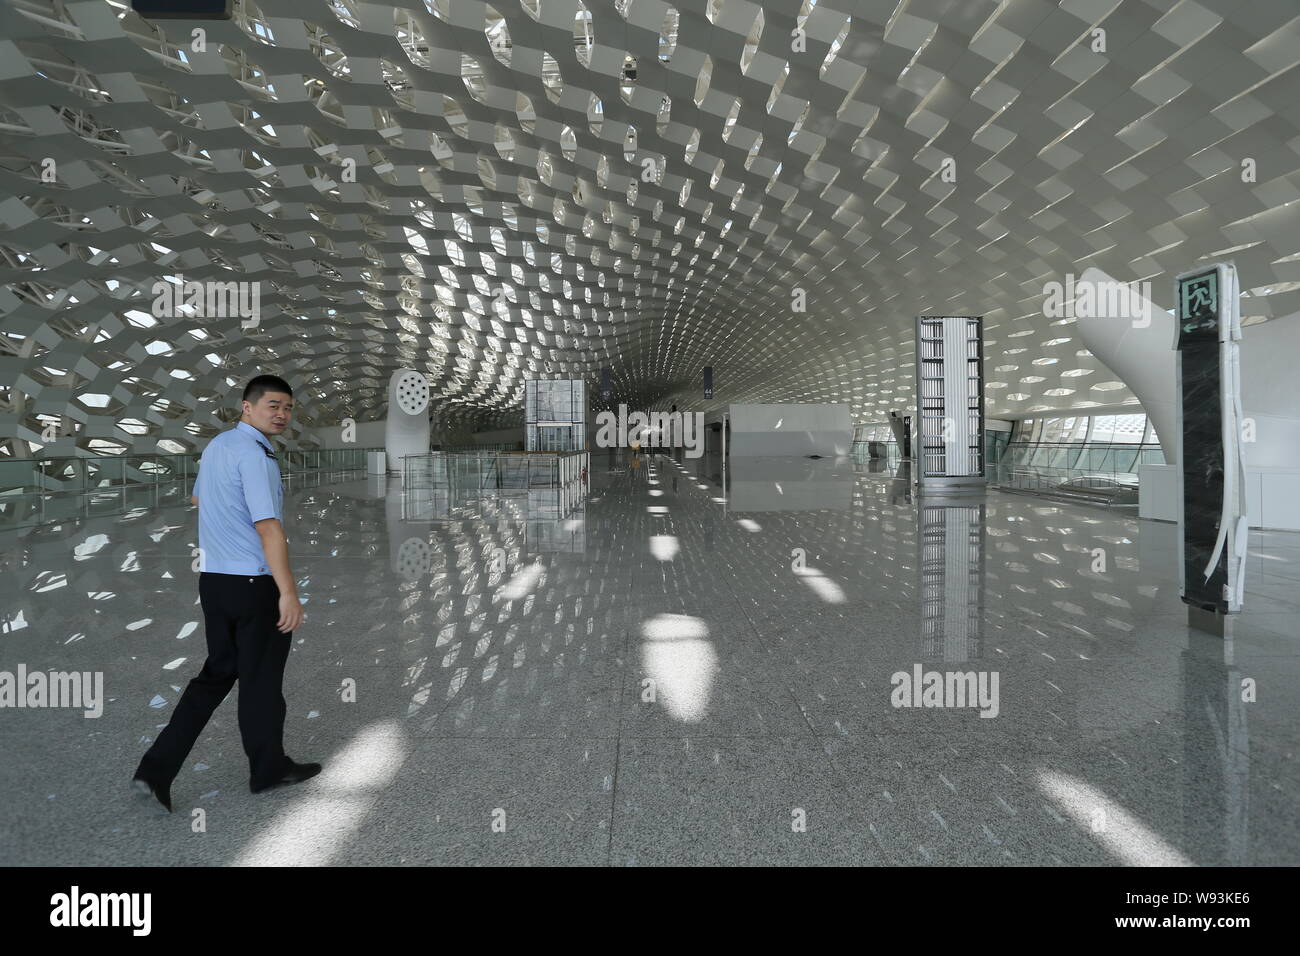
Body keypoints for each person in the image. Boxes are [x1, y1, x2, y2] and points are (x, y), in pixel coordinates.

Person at [132, 375, 320, 812]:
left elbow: (200, 500)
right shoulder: (257, 456)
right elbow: (268, 527)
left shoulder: (218, 446)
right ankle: (268, 769)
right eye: (273, 405)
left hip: (215, 582)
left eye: (288, 408)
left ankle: (154, 770)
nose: (282, 414)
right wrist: (288, 593)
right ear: (247, 407)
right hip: (255, 586)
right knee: (261, 682)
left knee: (215, 676)